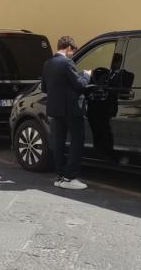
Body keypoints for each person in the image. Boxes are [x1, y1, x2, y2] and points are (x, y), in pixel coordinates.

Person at [42, 36, 89, 190]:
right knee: (77, 140)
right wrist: (87, 75)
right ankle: (70, 177)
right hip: (72, 109)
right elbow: (80, 84)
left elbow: (44, 88)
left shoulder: (47, 63)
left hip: (55, 110)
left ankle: (60, 176)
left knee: (58, 142)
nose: (72, 55)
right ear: (69, 48)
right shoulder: (67, 63)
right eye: (72, 52)